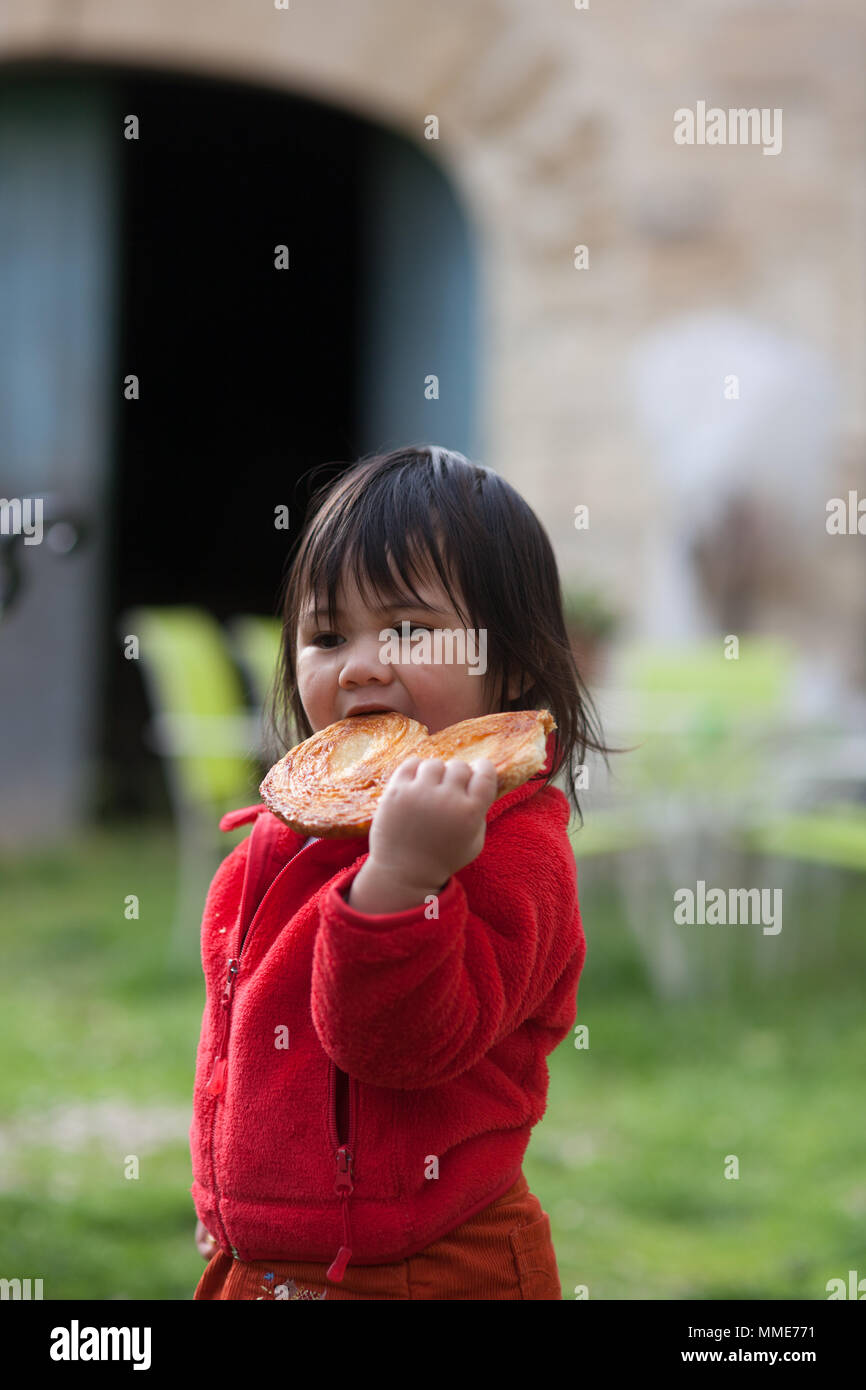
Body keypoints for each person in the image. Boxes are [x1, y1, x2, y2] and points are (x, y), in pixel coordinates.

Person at [190, 444, 609, 1300]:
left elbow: (404, 1046)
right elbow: (238, 1033)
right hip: (270, 1260)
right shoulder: (283, 839)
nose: (361, 664)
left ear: (517, 660)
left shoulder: (510, 845)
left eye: (410, 629)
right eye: (327, 634)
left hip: (429, 1266)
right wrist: (235, 1187)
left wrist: (404, 884)